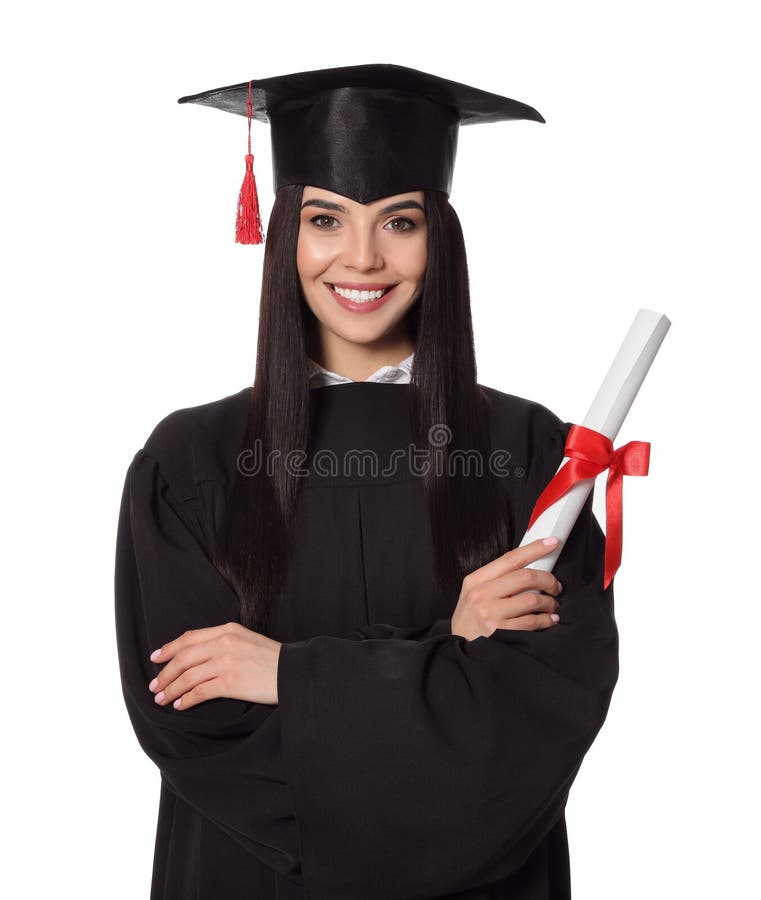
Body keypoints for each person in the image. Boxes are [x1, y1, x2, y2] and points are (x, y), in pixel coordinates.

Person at [114, 64, 619, 900]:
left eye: (399, 222)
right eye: (325, 219)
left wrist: (286, 675)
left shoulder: (531, 452)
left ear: (440, 238)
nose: (361, 257)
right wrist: (444, 655)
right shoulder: (191, 461)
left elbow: (536, 724)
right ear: (284, 234)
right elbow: (196, 730)